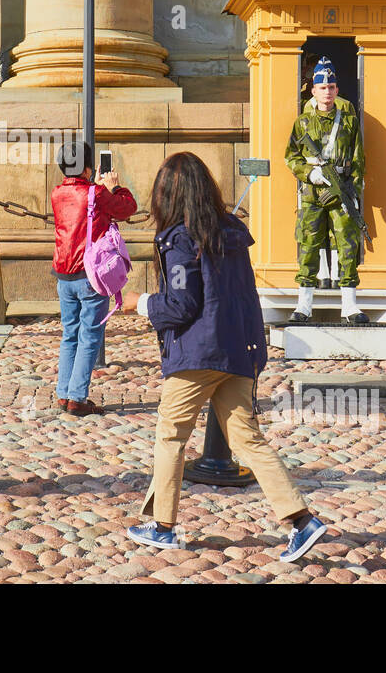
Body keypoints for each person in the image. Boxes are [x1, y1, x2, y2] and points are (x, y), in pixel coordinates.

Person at [120, 151, 329, 562]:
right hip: (240, 347)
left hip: (200, 353)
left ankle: (162, 527)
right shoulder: (231, 230)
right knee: (246, 439)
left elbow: (181, 304)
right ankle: (303, 521)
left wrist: (140, 302)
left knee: (170, 435)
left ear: (168, 194)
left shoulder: (181, 239)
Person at [50, 141, 136, 416]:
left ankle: (64, 394)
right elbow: (127, 208)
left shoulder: (57, 193)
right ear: (88, 167)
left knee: (70, 335)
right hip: (90, 276)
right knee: (90, 336)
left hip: (63, 275)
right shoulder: (96, 193)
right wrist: (114, 187)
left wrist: (98, 188)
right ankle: (77, 398)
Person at [284, 56, 367, 323]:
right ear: (313, 91)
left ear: (337, 90)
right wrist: (311, 174)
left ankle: (350, 306)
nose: (327, 92)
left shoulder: (349, 122)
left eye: (331, 87)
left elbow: (358, 160)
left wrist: (350, 191)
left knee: (347, 246)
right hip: (312, 194)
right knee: (308, 245)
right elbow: (292, 157)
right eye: (322, 88)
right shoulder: (302, 123)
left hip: (340, 191)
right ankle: (304, 306)